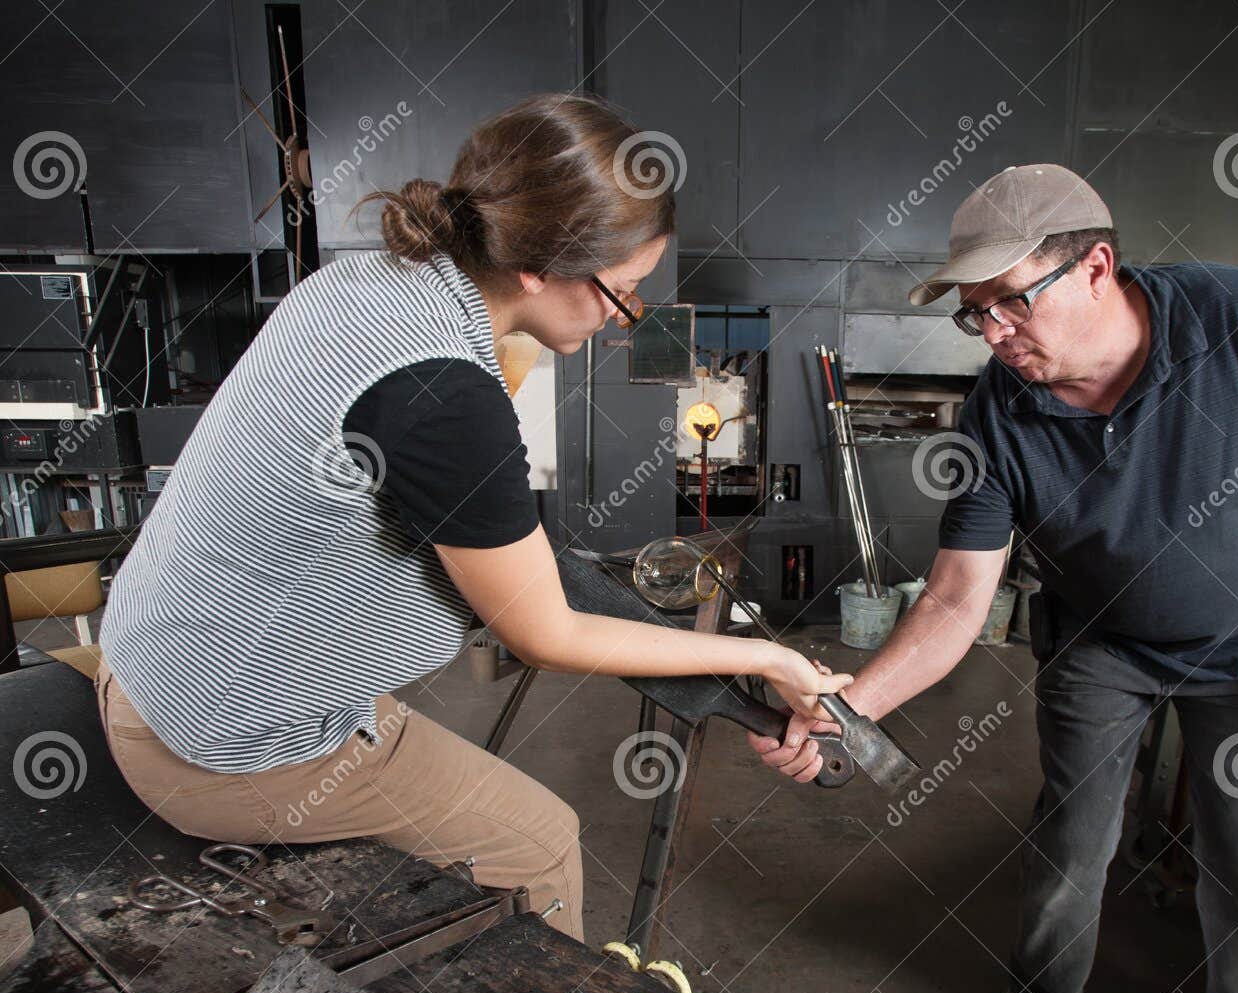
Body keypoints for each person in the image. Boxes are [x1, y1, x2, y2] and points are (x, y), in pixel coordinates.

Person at [95, 94, 850, 943]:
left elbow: (529, 569)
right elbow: (545, 631)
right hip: (221, 736)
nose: (620, 319)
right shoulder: (442, 394)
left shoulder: (368, 281)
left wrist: (747, 692)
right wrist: (762, 654)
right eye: (622, 292)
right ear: (537, 267)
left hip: (152, 655)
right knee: (535, 842)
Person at [750, 164, 1238, 993]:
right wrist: (849, 707)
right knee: (1071, 837)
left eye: (1011, 302)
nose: (995, 334)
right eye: (977, 315)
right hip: (1100, 640)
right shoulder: (997, 413)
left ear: (1096, 266)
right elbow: (959, 594)